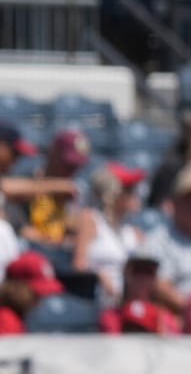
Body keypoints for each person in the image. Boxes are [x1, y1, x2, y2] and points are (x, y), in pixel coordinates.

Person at [140, 164, 191, 312]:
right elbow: (158, 285)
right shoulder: (158, 240)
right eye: (188, 199)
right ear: (174, 203)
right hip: (177, 319)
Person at [71, 162, 147, 304]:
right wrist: (98, 275)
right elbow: (79, 267)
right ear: (112, 193)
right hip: (96, 302)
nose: (134, 194)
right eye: (128, 189)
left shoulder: (134, 232)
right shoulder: (91, 219)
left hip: (127, 305)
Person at [21, 128, 93, 245]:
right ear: (54, 155)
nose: (71, 171)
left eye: (76, 166)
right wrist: (56, 186)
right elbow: (23, 231)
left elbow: (75, 230)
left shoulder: (72, 194)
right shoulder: (28, 179)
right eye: (68, 165)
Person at [99, 250, 180, 334]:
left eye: (149, 271)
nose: (142, 277)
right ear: (126, 273)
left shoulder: (165, 317)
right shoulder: (111, 316)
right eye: (138, 270)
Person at [0, 251, 63, 334]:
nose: (41, 299)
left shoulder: (33, 316)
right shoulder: (6, 319)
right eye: (36, 294)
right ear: (14, 287)